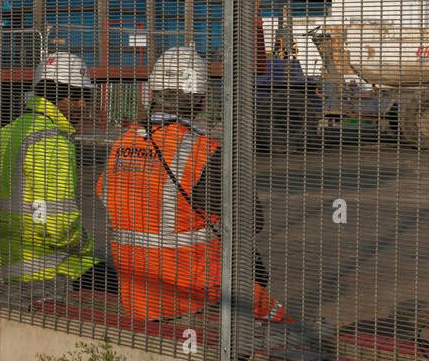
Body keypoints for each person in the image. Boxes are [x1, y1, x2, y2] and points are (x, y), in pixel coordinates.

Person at [98, 45, 291, 324]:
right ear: (201, 101)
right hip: (195, 292)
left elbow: (112, 199)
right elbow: (252, 222)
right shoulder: (204, 151)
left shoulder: (122, 144)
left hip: (137, 296)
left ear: (152, 94)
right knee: (285, 325)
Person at [0, 52, 115, 293]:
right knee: (123, 284)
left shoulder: (8, 132)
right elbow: (57, 225)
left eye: (85, 97)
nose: (82, 105)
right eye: (73, 97)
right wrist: (85, 244)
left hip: (3, 259)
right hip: (45, 267)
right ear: (50, 95)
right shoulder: (52, 141)